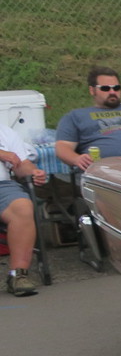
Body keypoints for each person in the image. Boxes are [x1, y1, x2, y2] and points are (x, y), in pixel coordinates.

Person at [0, 124, 50, 296]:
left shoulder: (4, 131)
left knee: (22, 207)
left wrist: (34, 172)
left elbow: (21, 164)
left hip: (3, 186)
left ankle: (18, 275)